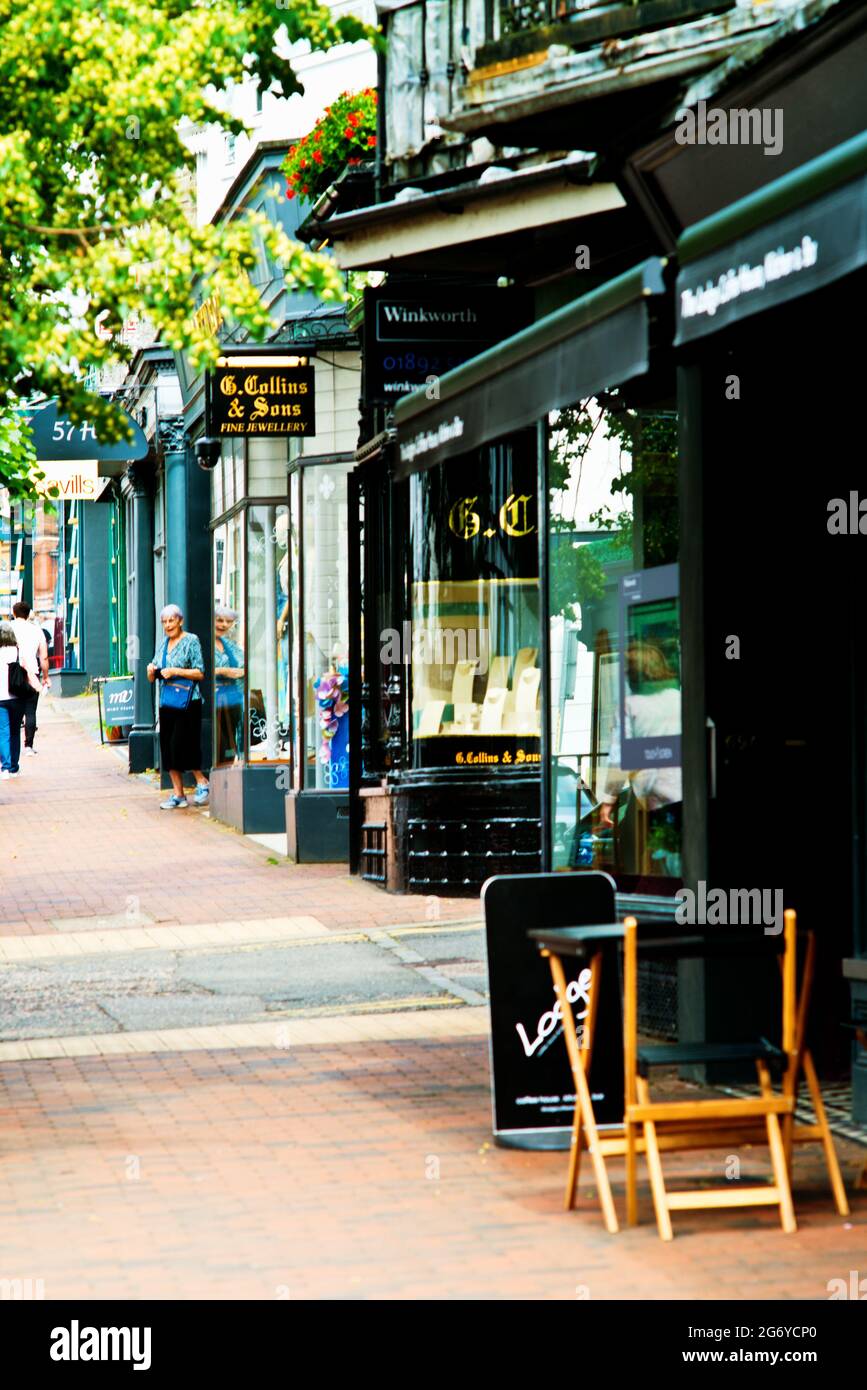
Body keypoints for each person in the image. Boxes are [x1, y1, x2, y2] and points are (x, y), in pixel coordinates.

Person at [146, 603, 209, 809]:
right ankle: (178, 794)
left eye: (171, 620)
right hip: (167, 702)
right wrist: (151, 670)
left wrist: (175, 671)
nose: (167, 625)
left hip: (189, 701)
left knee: (184, 745)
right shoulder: (163, 645)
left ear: (180, 621)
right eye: (164, 622)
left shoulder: (191, 640)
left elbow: (200, 672)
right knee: (169, 750)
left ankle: (203, 783)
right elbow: (153, 675)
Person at [0, 620, 40, 779]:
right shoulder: (18, 651)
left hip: (0, 699)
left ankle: (6, 767)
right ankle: (14, 767)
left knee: (3, 732)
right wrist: (38, 687)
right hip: (17, 697)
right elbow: (29, 672)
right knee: (15, 732)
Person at [10, 600, 49, 756]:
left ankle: (11, 747)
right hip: (32, 673)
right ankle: (28, 746)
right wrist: (45, 677)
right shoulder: (37, 630)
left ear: (14, 613)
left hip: (11, 674)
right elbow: (44, 657)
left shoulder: (7, 628)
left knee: (12, 710)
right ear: (28, 615)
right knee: (30, 711)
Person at [214, 605, 245, 765]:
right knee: (219, 744)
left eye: (228, 621)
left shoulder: (230, 645)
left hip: (233, 701)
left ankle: (227, 773)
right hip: (214, 702)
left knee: (231, 745)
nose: (223, 625)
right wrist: (224, 671)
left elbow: (244, 666)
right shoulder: (203, 643)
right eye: (219, 620)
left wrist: (240, 671)